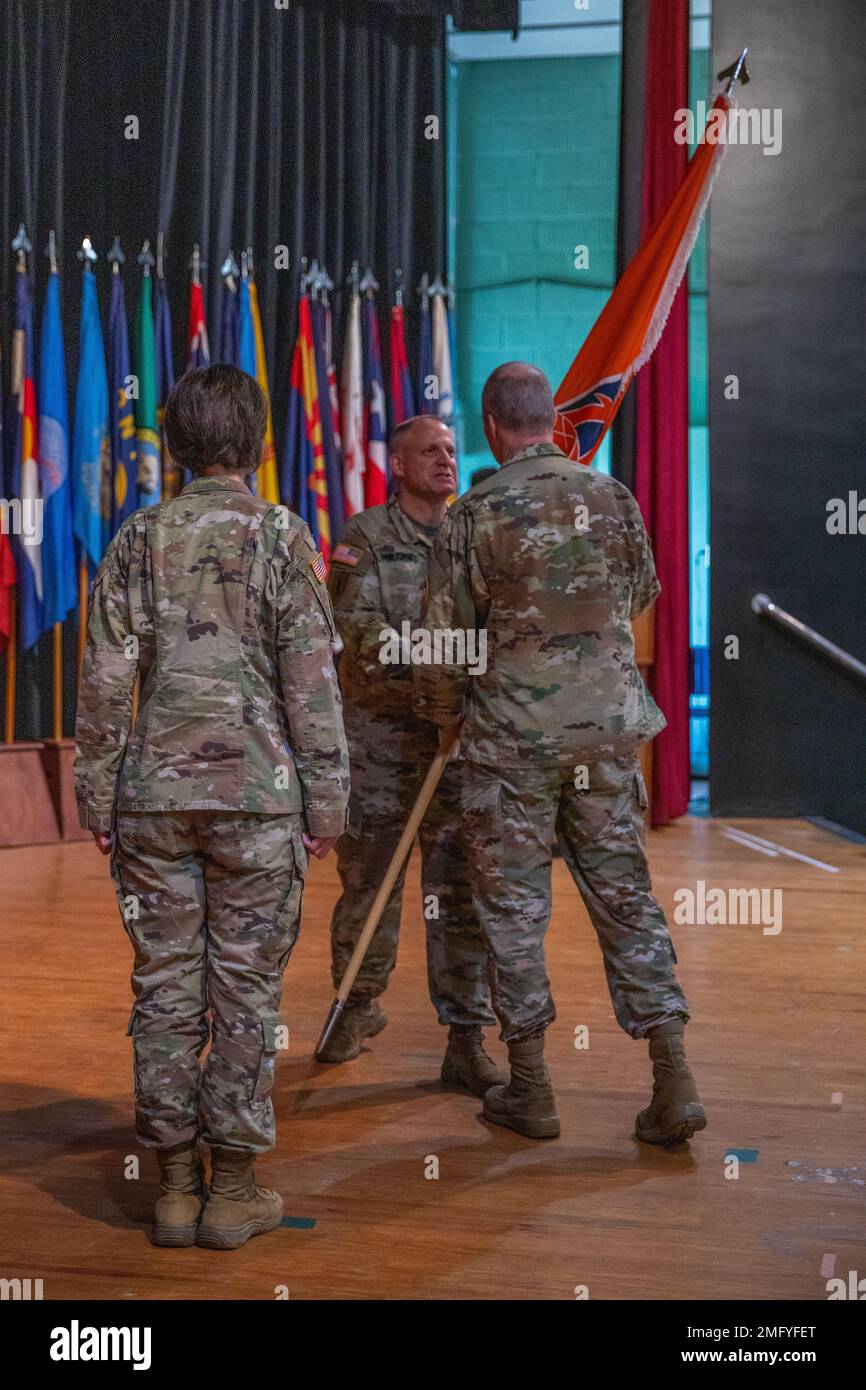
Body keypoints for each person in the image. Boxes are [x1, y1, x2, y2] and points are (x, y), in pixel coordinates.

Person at [74, 363, 349, 1249]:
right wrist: (327, 803)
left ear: (178, 443)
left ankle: (174, 1187)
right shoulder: (281, 535)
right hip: (258, 800)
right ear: (261, 442)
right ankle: (232, 1189)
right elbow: (313, 684)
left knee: (164, 988)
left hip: (153, 797)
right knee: (245, 991)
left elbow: (107, 680)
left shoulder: (135, 539)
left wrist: (98, 794)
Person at [413, 363, 705, 1145]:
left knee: (513, 911)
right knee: (625, 899)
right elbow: (640, 592)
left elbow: (445, 640)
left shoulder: (473, 512)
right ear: (552, 419)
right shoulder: (613, 496)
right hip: (608, 737)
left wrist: (445, 718)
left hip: (511, 742)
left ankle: (532, 1089)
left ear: (490, 424)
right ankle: (672, 1074)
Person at [320, 415, 505, 1097]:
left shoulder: (473, 536)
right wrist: (447, 657)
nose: (446, 460)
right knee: (372, 886)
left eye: (453, 451)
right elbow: (355, 640)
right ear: (398, 464)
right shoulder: (365, 538)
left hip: (457, 749)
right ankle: (355, 1007)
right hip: (383, 747)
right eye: (431, 451)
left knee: (458, 895)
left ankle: (465, 1036)